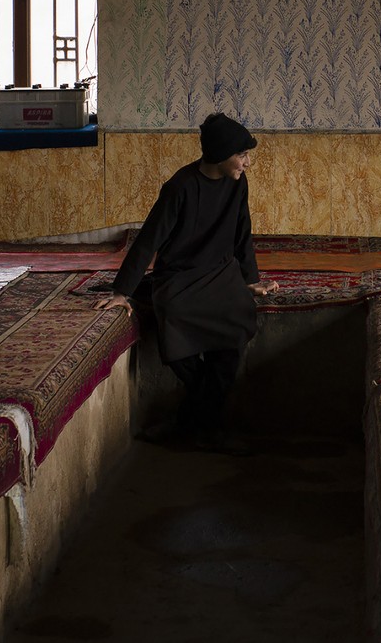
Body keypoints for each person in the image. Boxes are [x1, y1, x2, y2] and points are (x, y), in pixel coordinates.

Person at [96, 112, 276, 454]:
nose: (248, 163)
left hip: (221, 274)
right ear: (222, 155)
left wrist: (250, 281)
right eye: (242, 156)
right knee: (174, 319)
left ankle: (188, 424)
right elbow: (148, 240)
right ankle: (206, 425)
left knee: (237, 319)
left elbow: (243, 233)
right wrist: (122, 292)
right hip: (178, 276)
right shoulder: (180, 187)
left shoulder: (237, 183)